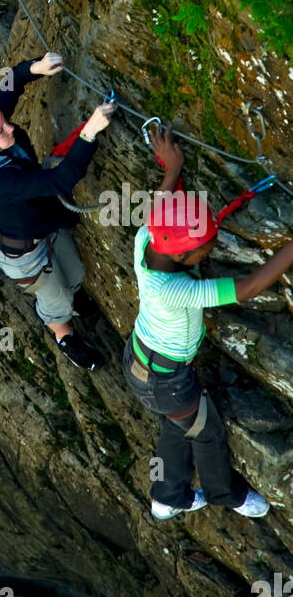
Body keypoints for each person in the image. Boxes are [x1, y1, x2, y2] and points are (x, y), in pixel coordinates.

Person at [124, 125, 293, 521]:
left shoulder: (147, 239)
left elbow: (161, 207)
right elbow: (250, 287)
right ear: (182, 258)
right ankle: (224, 493)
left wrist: (172, 168)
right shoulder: (175, 291)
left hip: (142, 361)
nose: (212, 246)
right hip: (166, 378)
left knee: (180, 422)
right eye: (207, 246)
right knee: (206, 429)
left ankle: (167, 496)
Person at [0, 57, 115, 370]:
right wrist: (89, 132)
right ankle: (63, 335)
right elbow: (61, 180)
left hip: (40, 220)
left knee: (74, 273)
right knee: (56, 299)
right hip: (23, 256)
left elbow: (10, 86)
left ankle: (74, 299)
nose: (9, 126)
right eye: (1, 130)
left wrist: (34, 68)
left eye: (3, 122)